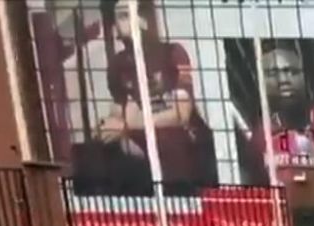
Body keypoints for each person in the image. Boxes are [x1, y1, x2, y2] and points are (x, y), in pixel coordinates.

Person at [84, 0, 216, 194]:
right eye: (118, 17)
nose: (118, 24)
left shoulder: (173, 53)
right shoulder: (118, 65)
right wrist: (112, 127)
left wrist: (130, 125)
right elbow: (122, 114)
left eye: (125, 15)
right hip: (149, 167)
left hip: (189, 166)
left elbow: (181, 113)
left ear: (143, 18)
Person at [239, 44, 314, 187]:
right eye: (272, 74)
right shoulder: (261, 137)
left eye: (291, 71)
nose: (283, 80)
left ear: (305, 77)